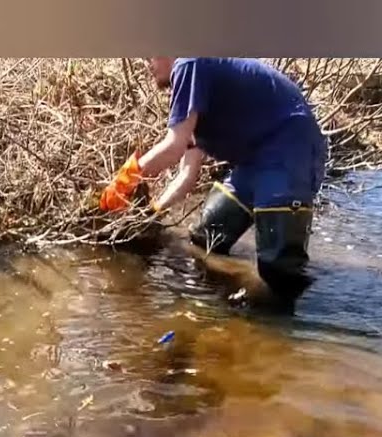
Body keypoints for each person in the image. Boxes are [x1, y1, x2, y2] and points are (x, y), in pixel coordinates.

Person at [99, 57, 329, 304]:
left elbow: (173, 147)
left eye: (150, 56)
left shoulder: (189, 63)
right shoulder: (193, 87)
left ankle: (270, 320)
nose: (147, 64)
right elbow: (187, 175)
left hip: (291, 153)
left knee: (279, 272)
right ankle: (221, 299)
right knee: (205, 239)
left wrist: (124, 180)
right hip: (253, 163)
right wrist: (154, 212)